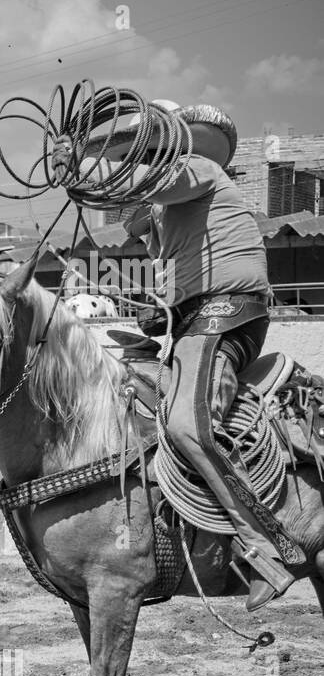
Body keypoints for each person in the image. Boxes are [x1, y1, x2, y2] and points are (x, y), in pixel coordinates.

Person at [54, 102, 302, 611]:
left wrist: (86, 164)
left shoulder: (201, 169)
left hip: (227, 311)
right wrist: (154, 311)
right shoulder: (172, 218)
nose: (135, 165)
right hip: (200, 316)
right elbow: (154, 238)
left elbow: (142, 184)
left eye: (142, 153)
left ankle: (264, 546)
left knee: (188, 424)